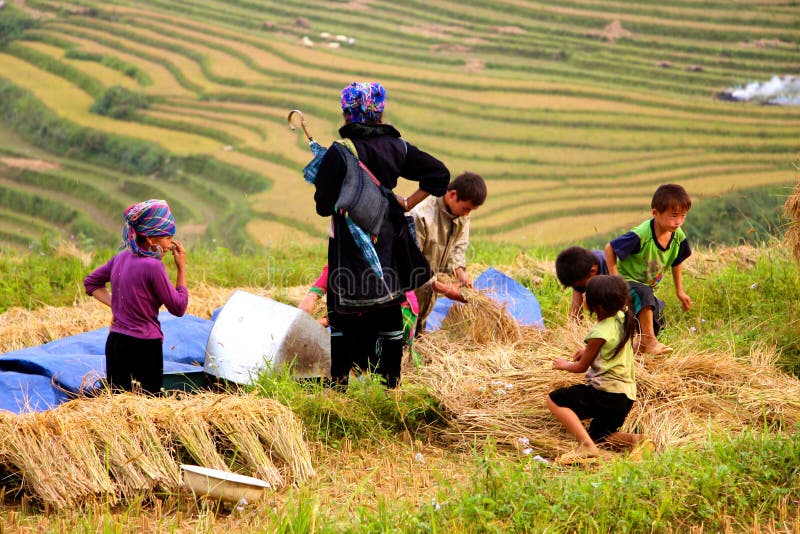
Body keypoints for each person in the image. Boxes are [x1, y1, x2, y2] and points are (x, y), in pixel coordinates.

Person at [313, 81, 449, 389]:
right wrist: (406, 202)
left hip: (348, 247)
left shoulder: (340, 153)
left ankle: (339, 385)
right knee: (388, 309)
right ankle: (390, 385)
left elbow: (323, 207)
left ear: (348, 114)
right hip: (387, 243)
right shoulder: (398, 148)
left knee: (343, 315)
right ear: (380, 112)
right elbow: (439, 173)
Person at [83, 199, 188, 394]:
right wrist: (182, 268)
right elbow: (179, 307)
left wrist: (115, 305)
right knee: (147, 408)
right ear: (150, 239)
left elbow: (91, 283)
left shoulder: (121, 257)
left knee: (119, 406)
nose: (170, 245)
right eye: (167, 238)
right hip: (144, 348)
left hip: (116, 344)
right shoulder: (153, 266)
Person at [546, 275, 647, 464]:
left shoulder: (599, 332)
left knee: (555, 400)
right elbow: (608, 346)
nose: (583, 295)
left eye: (587, 294)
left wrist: (563, 365)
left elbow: (581, 367)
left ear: (598, 305)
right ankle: (639, 441)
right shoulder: (622, 317)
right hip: (625, 396)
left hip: (606, 393)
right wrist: (586, 351)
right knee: (601, 435)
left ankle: (585, 446)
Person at [605, 184, 692, 355]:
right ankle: (649, 341)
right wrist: (615, 282)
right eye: (674, 216)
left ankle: (637, 350)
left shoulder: (678, 236)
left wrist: (680, 291)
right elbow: (610, 248)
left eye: (683, 216)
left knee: (657, 317)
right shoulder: (642, 235)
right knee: (644, 293)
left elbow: (677, 261)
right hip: (627, 282)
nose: (679, 221)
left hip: (647, 287)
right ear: (655, 213)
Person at [410, 171, 487, 330]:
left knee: (419, 333)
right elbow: (413, 262)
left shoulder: (461, 215)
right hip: (408, 294)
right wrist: (445, 289)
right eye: (466, 208)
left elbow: (457, 248)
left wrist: (460, 273)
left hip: (428, 295)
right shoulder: (421, 215)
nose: (467, 214)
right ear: (453, 194)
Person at [555, 246, 609, 323]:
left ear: (593, 270)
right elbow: (575, 315)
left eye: (581, 286)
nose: (583, 293)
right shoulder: (581, 270)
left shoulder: (610, 266)